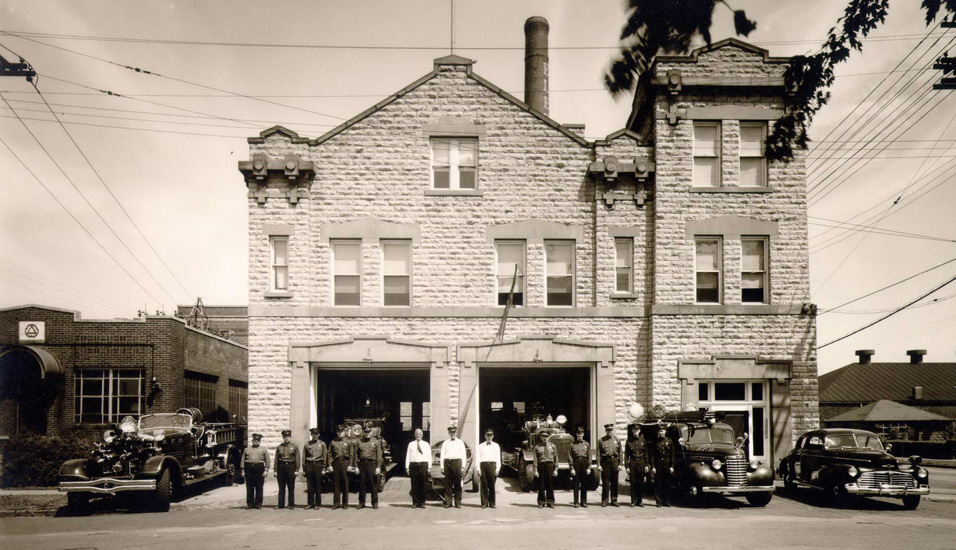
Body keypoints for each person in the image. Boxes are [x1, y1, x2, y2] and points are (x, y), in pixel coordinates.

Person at [439, 425, 467, 508]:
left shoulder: (460, 442)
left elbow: (463, 455)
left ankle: (458, 502)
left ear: (456, 432)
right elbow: (442, 455)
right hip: (447, 463)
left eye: (454, 432)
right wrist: (442, 467)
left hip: (457, 463)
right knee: (448, 484)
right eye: (451, 432)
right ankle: (448, 502)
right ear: (448, 433)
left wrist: (463, 467)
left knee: (458, 483)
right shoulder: (445, 443)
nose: (453, 433)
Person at [355, 426, 383, 509]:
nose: (367, 434)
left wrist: (378, 467)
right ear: (363, 432)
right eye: (365, 432)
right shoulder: (359, 442)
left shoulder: (376, 442)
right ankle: (361, 502)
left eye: (368, 432)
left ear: (371, 432)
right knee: (362, 484)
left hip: (372, 463)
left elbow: (379, 456)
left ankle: (374, 502)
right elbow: (356, 455)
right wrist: (356, 466)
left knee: (373, 484)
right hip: (362, 464)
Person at [240, 433, 269, 509]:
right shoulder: (247, 449)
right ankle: (250, 503)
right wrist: (243, 471)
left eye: (258, 440)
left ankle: (258, 503)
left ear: (260, 441)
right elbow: (243, 460)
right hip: (249, 468)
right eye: (255, 440)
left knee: (259, 487)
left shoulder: (263, 449)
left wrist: (266, 470)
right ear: (252, 440)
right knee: (249, 487)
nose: (256, 441)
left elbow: (267, 461)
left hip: (259, 468)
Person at [329, 424, 355, 509]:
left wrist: (350, 465)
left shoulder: (348, 442)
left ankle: (345, 503)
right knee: (336, 483)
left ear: (344, 432)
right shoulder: (333, 442)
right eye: (338, 432)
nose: (340, 433)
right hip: (336, 462)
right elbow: (329, 454)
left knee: (345, 483)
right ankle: (336, 503)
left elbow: (351, 454)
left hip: (345, 462)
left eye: (341, 432)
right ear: (336, 432)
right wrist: (329, 465)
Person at [597, 422, 622, 507]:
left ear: (613, 430)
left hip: (614, 461)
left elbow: (620, 453)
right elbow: (598, 453)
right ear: (605, 430)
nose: (609, 432)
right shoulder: (601, 440)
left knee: (614, 482)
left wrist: (620, 464)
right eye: (608, 430)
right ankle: (605, 500)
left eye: (611, 430)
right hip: (605, 462)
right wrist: (598, 465)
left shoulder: (617, 440)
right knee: (605, 482)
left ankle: (614, 500)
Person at [405, 428, 431, 508]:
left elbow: (429, 456)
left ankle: (422, 502)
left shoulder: (426, 444)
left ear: (422, 435)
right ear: (414, 435)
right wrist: (407, 467)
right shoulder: (411, 444)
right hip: (413, 465)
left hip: (423, 465)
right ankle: (415, 502)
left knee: (423, 484)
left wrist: (429, 467)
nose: (418, 435)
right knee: (414, 484)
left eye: (420, 434)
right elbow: (408, 456)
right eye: (417, 434)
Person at [303, 427, 328, 509]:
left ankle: (318, 503)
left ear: (319, 434)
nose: (315, 436)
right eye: (313, 434)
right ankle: (310, 503)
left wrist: (324, 468)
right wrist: (304, 469)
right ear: (311, 435)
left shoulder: (322, 444)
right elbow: (304, 457)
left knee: (318, 485)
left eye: (316, 434)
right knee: (310, 486)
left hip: (318, 465)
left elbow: (325, 456)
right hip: (309, 465)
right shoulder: (307, 444)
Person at [274, 429, 300, 509]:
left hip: (290, 467)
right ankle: (281, 504)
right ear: (283, 437)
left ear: (290, 437)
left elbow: (297, 458)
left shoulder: (294, 447)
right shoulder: (279, 447)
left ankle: (291, 504)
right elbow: (276, 459)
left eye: (288, 437)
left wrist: (296, 470)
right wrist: (275, 470)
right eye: (285, 437)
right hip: (281, 467)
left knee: (291, 486)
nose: (286, 438)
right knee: (281, 487)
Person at [651, 424, 676, 507]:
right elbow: (652, 455)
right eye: (659, 431)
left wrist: (672, 466)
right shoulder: (655, 442)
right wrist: (653, 467)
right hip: (658, 465)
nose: (661, 433)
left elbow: (672, 454)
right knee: (658, 483)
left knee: (667, 484)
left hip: (667, 465)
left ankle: (667, 501)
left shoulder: (669, 441)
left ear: (665, 431)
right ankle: (658, 501)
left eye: (662, 431)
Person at [624, 423, 649, 507]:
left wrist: (646, 465)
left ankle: (640, 501)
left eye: (637, 430)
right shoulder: (629, 441)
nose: (635, 432)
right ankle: (633, 501)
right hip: (633, 463)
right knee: (633, 482)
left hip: (641, 462)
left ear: (639, 431)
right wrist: (627, 466)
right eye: (634, 430)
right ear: (632, 431)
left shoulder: (643, 441)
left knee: (640, 482)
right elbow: (626, 455)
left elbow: (646, 454)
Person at [476, 429, 501, 509]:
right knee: (484, 485)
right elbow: (478, 458)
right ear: (485, 436)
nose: (489, 437)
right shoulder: (480, 446)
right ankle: (484, 503)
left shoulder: (496, 446)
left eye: (490, 435)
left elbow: (498, 459)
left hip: (492, 465)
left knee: (492, 485)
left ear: (493, 436)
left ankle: (492, 503)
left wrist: (497, 469)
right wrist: (478, 469)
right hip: (483, 465)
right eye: (487, 435)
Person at [533, 431, 558, 508]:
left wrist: (556, 469)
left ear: (548, 437)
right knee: (541, 484)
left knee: (550, 483)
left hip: (550, 465)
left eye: (546, 436)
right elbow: (535, 459)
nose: (545, 438)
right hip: (541, 465)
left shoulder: (553, 446)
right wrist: (535, 470)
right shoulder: (537, 447)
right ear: (540, 437)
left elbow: (556, 458)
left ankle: (550, 501)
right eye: (543, 436)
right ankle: (541, 501)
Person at [568, 426, 591, 508]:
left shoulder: (587, 444)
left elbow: (589, 456)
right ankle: (576, 502)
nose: (580, 435)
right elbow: (570, 456)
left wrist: (589, 467)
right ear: (576, 434)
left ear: (583, 434)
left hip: (584, 463)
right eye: (578, 434)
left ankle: (584, 502)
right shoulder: (572, 444)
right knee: (576, 483)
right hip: (576, 462)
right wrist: (572, 468)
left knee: (584, 483)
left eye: (581, 434)